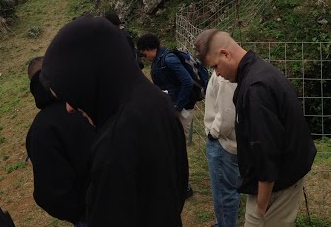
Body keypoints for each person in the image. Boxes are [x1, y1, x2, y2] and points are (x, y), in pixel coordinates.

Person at [41, 16, 187, 226]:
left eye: (70, 94)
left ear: (91, 77)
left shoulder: (115, 142)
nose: (69, 107)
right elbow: (179, 182)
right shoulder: (157, 100)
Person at [196, 29, 316, 227]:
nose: (217, 73)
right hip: (286, 176)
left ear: (226, 54)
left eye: (216, 66)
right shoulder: (261, 70)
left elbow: (265, 153)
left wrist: (260, 210)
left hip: (276, 187)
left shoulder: (255, 89)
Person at [23, 57, 97, 226]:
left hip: (92, 213)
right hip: (132, 192)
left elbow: (50, 193)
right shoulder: (91, 96)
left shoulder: (40, 130)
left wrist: (79, 213)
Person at [138, 33, 202, 140]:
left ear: (150, 49)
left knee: (178, 140)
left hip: (181, 109)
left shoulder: (169, 60)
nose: (145, 58)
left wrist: (178, 107)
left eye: (144, 55)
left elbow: (187, 82)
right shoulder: (158, 60)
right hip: (171, 106)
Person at [201, 74, 241, 227]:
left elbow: (227, 114)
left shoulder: (224, 76)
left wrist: (214, 133)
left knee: (225, 194)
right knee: (225, 191)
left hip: (222, 142)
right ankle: (222, 223)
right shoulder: (224, 71)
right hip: (225, 140)